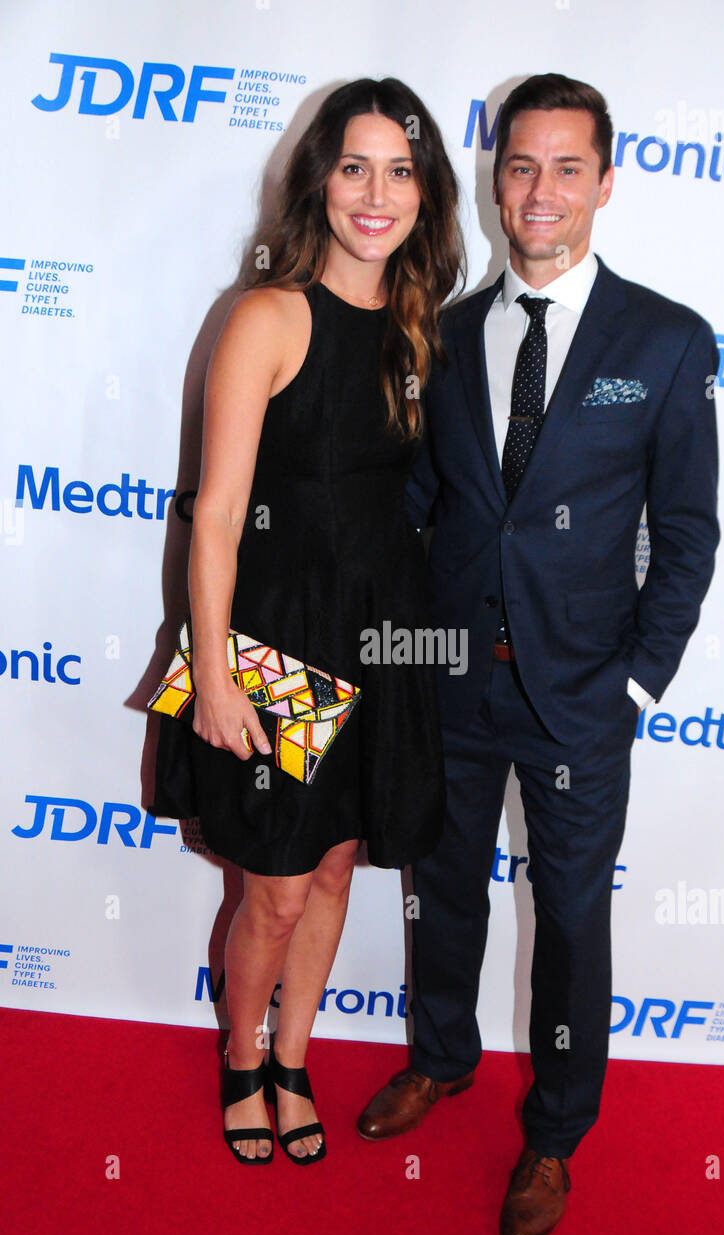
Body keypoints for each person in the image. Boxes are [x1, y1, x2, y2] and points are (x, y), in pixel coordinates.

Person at [357, 73, 720, 1235]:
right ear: (494, 177)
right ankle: (440, 1058)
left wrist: (633, 680)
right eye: (521, 166)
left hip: (578, 699)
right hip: (453, 682)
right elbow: (424, 506)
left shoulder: (663, 341)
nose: (541, 191)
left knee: (566, 919)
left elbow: (688, 530)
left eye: (568, 167)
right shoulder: (450, 331)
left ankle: (555, 1134)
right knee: (443, 890)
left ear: (604, 182)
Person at [150, 78, 463, 1167]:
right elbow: (218, 514)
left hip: (381, 637)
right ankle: (241, 1059)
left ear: (425, 191)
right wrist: (220, 674)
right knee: (274, 890)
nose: (374, 194)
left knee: (331, 872)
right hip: (276, 644)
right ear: (317, 180)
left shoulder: (422, 328)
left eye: (399, 170)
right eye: (352, 167)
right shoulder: (267, 314)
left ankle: (294, 1057)